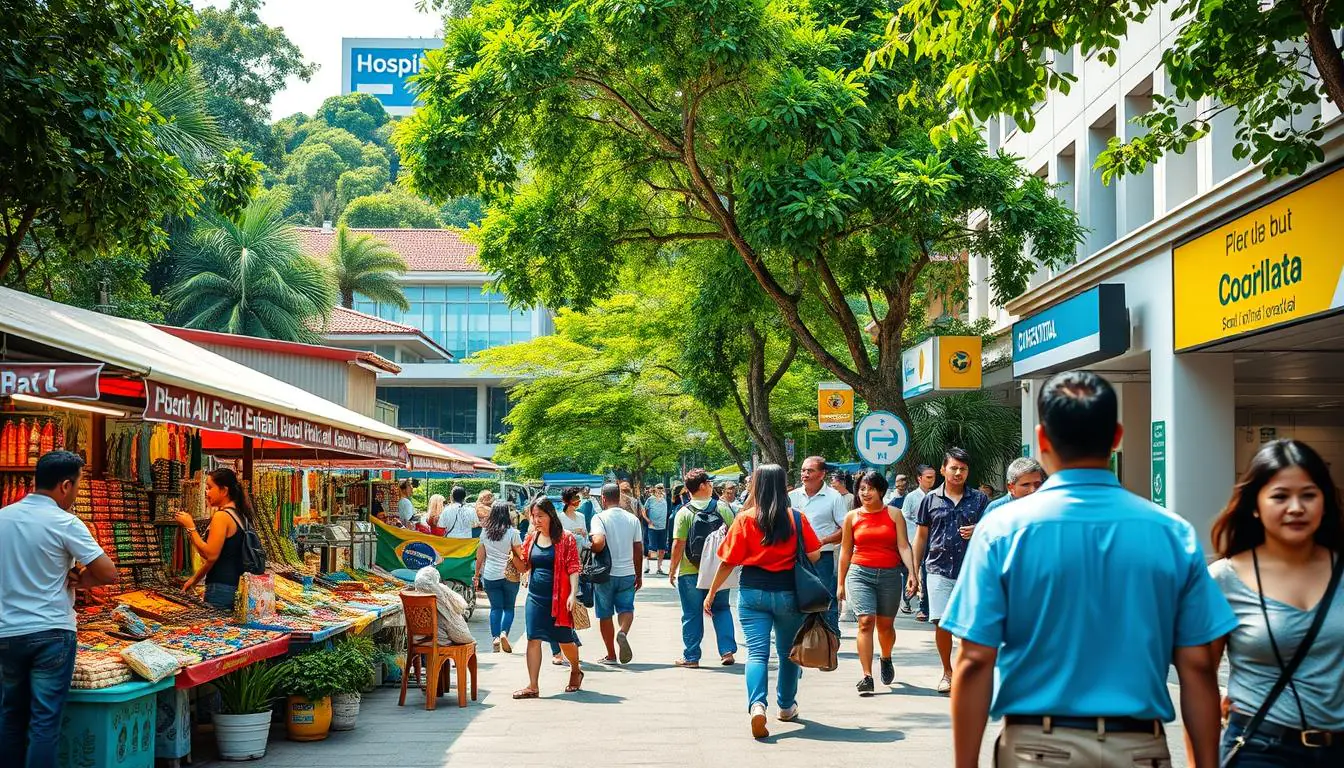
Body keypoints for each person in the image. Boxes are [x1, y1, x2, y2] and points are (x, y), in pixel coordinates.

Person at [942, 370, 1236, 768]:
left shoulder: (1002, 531)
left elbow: (975, 660)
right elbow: (1198, 667)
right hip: (1139, 749)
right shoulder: (1172, 534)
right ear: (1116, 437)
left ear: (1043, 440)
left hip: (1036, 749)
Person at [1207, 439, 1344, 766]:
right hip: (1261, 748)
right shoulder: (1223, 580)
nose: (1296, 507)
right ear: (1255, 505)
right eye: (1280, 496)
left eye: (1308, 495)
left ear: (1324, 502)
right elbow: (1200, 682)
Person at [1, 451, 117, 768]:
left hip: (6, 632)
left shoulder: (3, 518)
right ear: (65, 485)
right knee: (44, 721)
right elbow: (108, 572)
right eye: (77, 486)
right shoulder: (65, 522)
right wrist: (81, 580)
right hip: (52, 632)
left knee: (10, 715)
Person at [707, 463, 822, 739]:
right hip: (788, 594)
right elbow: (815, 554)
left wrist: (711, 593)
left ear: (756, 486)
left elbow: (727, 561)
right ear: (784, 486)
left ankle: (757, 705)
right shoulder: (796, 518)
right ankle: (786, 706)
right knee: (787, 653)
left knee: (757, 653)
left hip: (752, 593)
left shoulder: (746, 519)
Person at [912, 447, 988, 693]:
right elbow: (921, 537)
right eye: (953, 468)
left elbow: (992, 531)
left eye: (963, 469)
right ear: (943, 469)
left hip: (971, 570)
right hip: (937, 568)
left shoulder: (979, 499)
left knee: (970, 625)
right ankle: (947, 671)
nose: (958, 473)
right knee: (942, 623)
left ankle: (968, 671)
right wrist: (914, 572)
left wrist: (978, 529)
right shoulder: (930, 500)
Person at [838, 471, 917, 695]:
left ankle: (886, 657)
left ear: (881, 491)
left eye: (870, 488)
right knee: (865, 622)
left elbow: (903, 545)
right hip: (860, 572)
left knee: (885, 627)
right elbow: (845, 551)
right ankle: (867, 676)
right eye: (862, 489)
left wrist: (912, 572)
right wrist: (840, 583)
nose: (865, 493)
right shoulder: (851, 517)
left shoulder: (894, 514)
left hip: (890, 575)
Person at [512, 497, 583, 698]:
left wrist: (572, 593)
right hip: (535, 597)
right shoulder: (531, 538)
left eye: (540, 516)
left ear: (551, 516)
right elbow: (524, 567)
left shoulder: (565, 538)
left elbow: (573, 567)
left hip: (559, 599)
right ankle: (533, 686)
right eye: (534, 516)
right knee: (533, 638)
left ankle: (576, 670)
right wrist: (513, 555)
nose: (536, 521)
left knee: (564, 640)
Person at [668, 469, 737, 668]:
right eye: (709, 482)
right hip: (718, 572)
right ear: (702, 486)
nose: (711, 485)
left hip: (690, 572)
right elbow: (732, 538)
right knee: (722, 608)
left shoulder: (684, 513)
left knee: (691, 613)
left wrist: (672, 569)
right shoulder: (723, 509)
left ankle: (691, 657)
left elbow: (678, 544)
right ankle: (727, 651)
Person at [175, 467, 257, 610]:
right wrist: (195, 579)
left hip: (222, 588)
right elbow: (218, 556)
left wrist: (190, 526)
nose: (206, 493)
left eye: (210, 488)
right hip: (236, 585)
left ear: (224, 491)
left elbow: (210, 555)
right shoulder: (240, 516)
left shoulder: (222, 516)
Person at [790, 456, 848, 633]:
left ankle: (830, 639)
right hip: (795, 557)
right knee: (794, 598)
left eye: (810, 470)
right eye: (803, 470)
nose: (805, 474)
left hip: (823, 557)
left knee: (825, 598)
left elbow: (845, 529)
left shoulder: (834, 497)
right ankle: (799, 640)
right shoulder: (791, 496)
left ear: (822, 474)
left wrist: (822, 541)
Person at [591, 483, 643, 664]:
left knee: (605, 614)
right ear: (619, 497)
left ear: (603, 499)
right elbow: (638, 548)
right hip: (628, 572)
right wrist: (639, 574)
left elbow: (599, 543)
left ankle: (611, 655)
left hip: (605, 574)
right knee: (626, 608)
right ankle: (623, 632)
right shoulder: (632, 519)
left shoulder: (599, 518)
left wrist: (589, 545)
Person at [474, 501, 523, 654]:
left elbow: (480, 557)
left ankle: (495, 637)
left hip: (490, 575)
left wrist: (476, 575)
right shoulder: (513, 533)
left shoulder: (485, 532)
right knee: (509, 608)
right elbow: (520, 555)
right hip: (510, 576)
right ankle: (504, 633)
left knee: (495, 608)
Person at [551, 488, 590, 666]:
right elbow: (558, 540)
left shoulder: (581, 517)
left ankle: (569, 644)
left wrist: (583, 535)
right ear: (567, 501)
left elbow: (587, 539)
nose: (578, 502)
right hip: (562, 567)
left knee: (573, 604)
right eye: (575, 499)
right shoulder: (559, 518)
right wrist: (574, 535)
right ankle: (564, 646)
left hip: (579, 563)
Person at [901, 464, 938, 619]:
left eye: (933, 477)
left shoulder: (938, 495)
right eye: (928, 477)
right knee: (915, 570)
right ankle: (910, 600)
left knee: (929, 572)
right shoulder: (911, 497)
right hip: (916, 540)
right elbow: (904, 516)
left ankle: (927, 606)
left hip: (935, 540)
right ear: (919, 478)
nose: (931, 481)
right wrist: (916, 531)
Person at [644, 484, 669, 574]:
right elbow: (644, 511)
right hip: (652, 527)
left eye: (661, 488)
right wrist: (648, 520)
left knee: (662, 549)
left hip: (663, 527)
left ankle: (659, 568)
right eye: (658, 488)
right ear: (655, 489)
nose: (660, 490)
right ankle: (647, 566)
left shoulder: (665, 498)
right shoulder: (650, 499)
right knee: (652, 549)